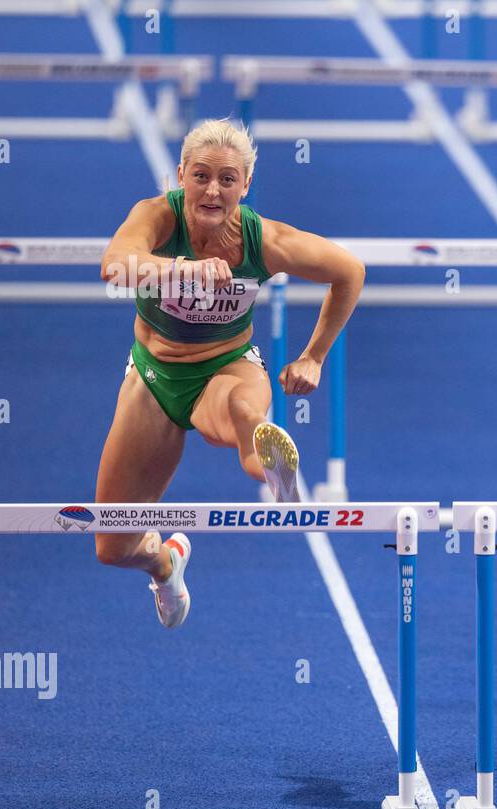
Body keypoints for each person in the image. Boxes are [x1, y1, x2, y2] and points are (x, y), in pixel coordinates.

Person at [96, 118, 365, 629]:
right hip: (153, 378)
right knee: (112, 545)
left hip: (227, 366)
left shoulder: (265, 242)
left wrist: (313, 356)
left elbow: (349, 272)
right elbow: (114, 265)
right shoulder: (157, 216)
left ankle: (272, 469)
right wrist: (183, 270)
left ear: (245, 185)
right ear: (180, 176)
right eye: (200, 176)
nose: (212, 190)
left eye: (226, 179)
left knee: (243, 413)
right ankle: (165, 562)